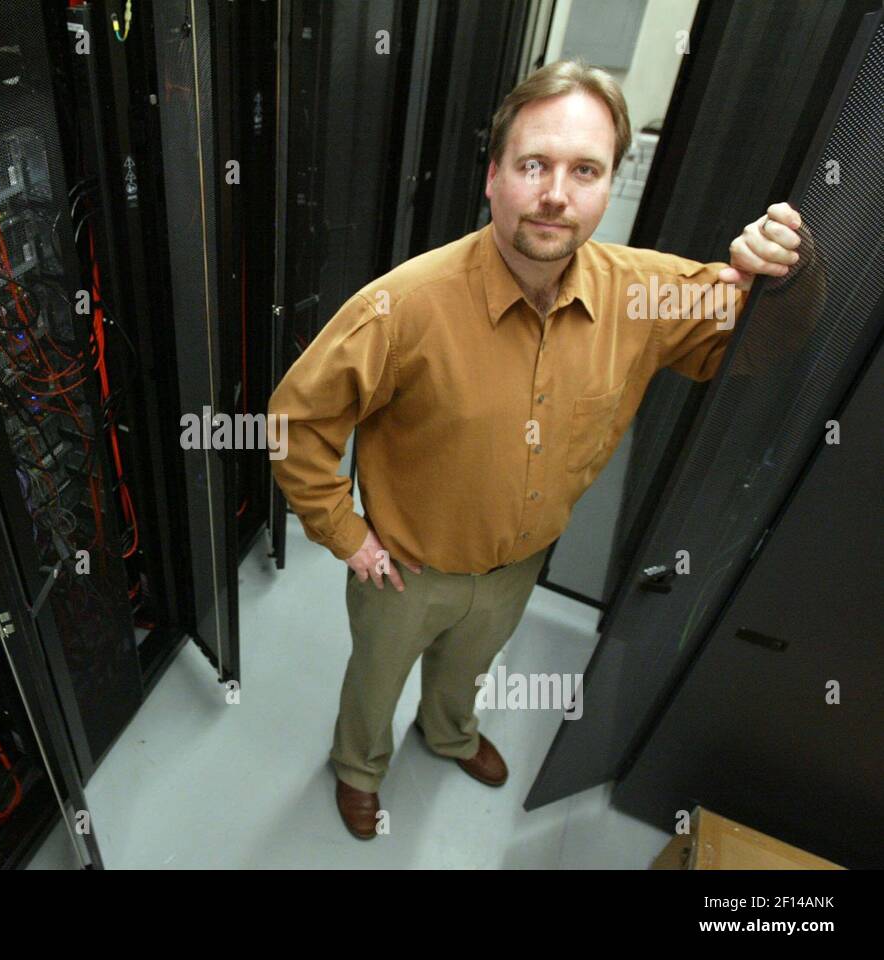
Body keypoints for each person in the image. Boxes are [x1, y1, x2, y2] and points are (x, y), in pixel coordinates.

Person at [266, 58, 807, 840]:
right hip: (404, 572)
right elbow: (296, 423)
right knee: (374, 683)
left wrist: (783, 275)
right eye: (534, 164)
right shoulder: (404, 305)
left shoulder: (644, 294)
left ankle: (448, 734)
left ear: (609, 182)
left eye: (584, 169)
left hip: (519, 566)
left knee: (468, 670)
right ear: (493, 178)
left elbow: (760, 343)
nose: (557, 192)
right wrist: (347, 536)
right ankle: (360, 768)